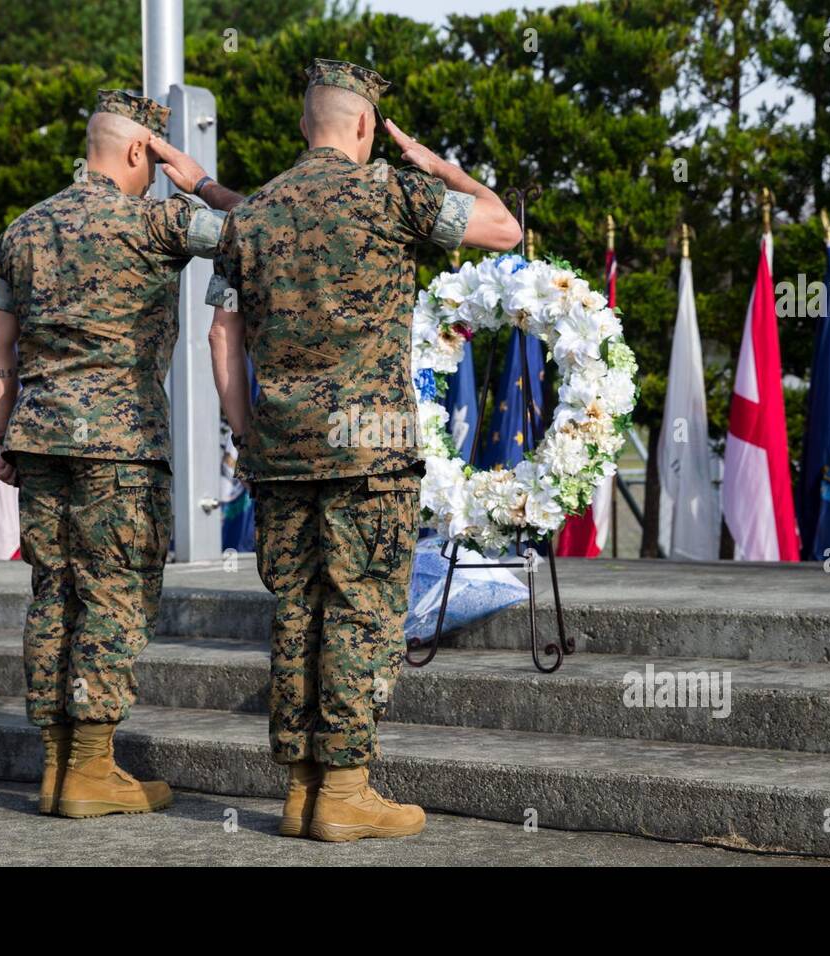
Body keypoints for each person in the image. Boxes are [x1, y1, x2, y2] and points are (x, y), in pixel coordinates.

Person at [206, 59, 521, 842]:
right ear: (365, 126)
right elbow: (505, 227)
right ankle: (345, 790)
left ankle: (301, 789)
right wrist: (438, 165)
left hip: (279, 449)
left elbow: (222, 332)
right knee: (360, 609)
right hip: (368, 452)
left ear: (305, 123)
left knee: (297, 611)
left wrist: (246, 429)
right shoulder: (394, 192)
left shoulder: (256, 213)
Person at [0, 89, 242, 818]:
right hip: (120, 449)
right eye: (151, 161)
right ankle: (90, 770)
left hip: (39, 443)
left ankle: (62, 768)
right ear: (138, 151)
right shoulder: (161, 219)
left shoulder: (22, 230)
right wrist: (193, 178)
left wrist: (9, 437)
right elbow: (270, 231)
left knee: (54, 598)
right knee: (112, 599)